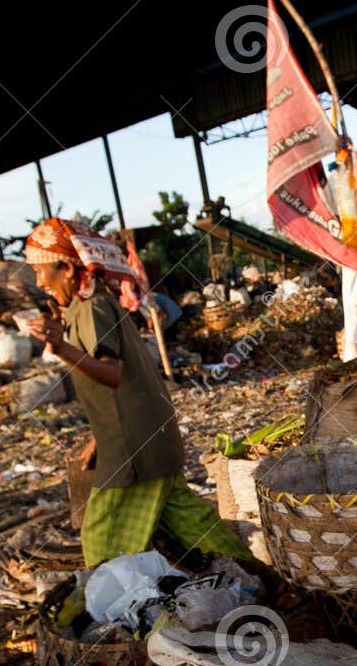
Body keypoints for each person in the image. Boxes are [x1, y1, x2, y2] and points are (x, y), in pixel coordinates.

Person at [22, 217, 251, 568]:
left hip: (134, 445)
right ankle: (256, 573)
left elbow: (112, 374)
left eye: (41, 272)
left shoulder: (93, 308)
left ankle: (107, 595)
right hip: (149, 433)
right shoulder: (86, 307)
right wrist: (98, 438)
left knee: (101, 535)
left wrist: (60, 348)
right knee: (188, 519)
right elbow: (127, 383)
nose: (40, 282)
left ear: (67, 269)